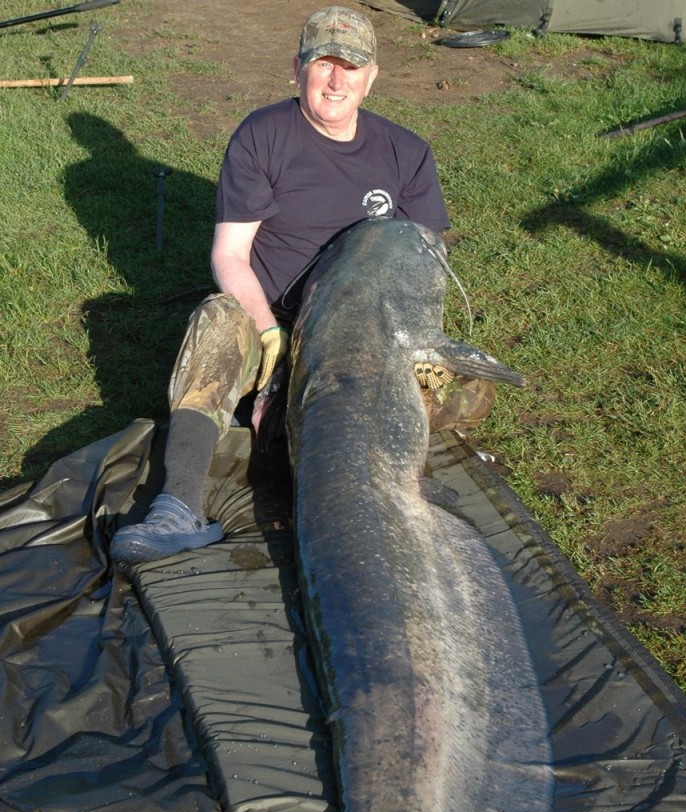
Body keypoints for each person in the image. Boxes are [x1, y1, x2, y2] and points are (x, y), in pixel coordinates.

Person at [110, 5, 494, 566]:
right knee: (215, 321)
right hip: (272, 315)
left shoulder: (406, 153)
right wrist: (271, 336)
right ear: (298, 69)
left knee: (470, 391)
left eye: (351, 67)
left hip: (359, 326)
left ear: (372, 77)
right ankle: (178, 504)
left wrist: (408, 346)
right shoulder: (262, 136)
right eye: (323, 64)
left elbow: (422, 267)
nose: (336, 81)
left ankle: (362, 463)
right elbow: (230, 255)